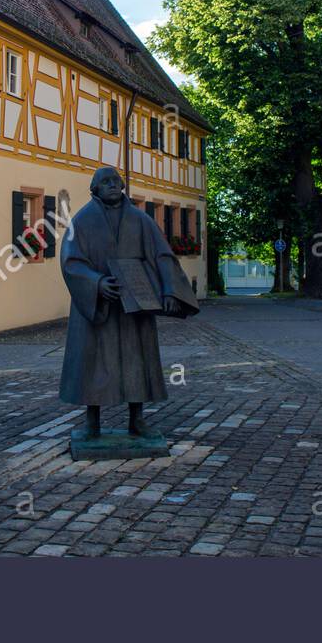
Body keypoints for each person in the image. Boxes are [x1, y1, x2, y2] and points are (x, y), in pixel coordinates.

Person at [59, 166, 198, 440]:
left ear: (122, 186)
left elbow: (162, 256)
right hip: (99, 307)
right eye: (105, 182)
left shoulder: (141, 220)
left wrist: (170, 291)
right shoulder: (82, 222)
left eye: (115, 181)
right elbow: (71, 261)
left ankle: (137, 419)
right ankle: (92, 423)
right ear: (95, 189)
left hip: (136, 306)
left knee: (138, 362)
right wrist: (96, 283)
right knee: (93, 364)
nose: (112, 185)